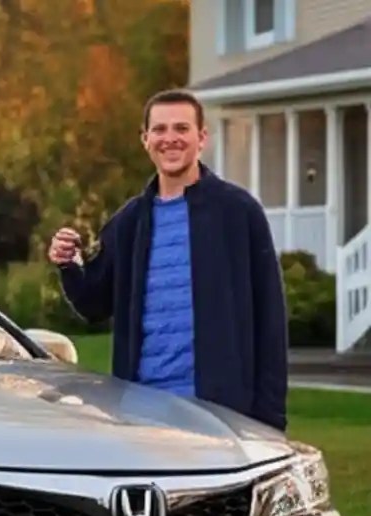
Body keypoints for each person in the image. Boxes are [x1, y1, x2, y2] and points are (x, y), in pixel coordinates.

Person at [48, 88, 289, 432]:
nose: (170, 139)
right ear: (145, 139)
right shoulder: (129, 222)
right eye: (159, 130)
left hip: (220, 415)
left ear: (201, 137)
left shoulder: (239, 212)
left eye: (181, 128)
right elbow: (94, 304)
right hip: (141, 415)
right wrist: (69, 265)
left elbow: (270, 320)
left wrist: (270, 419)